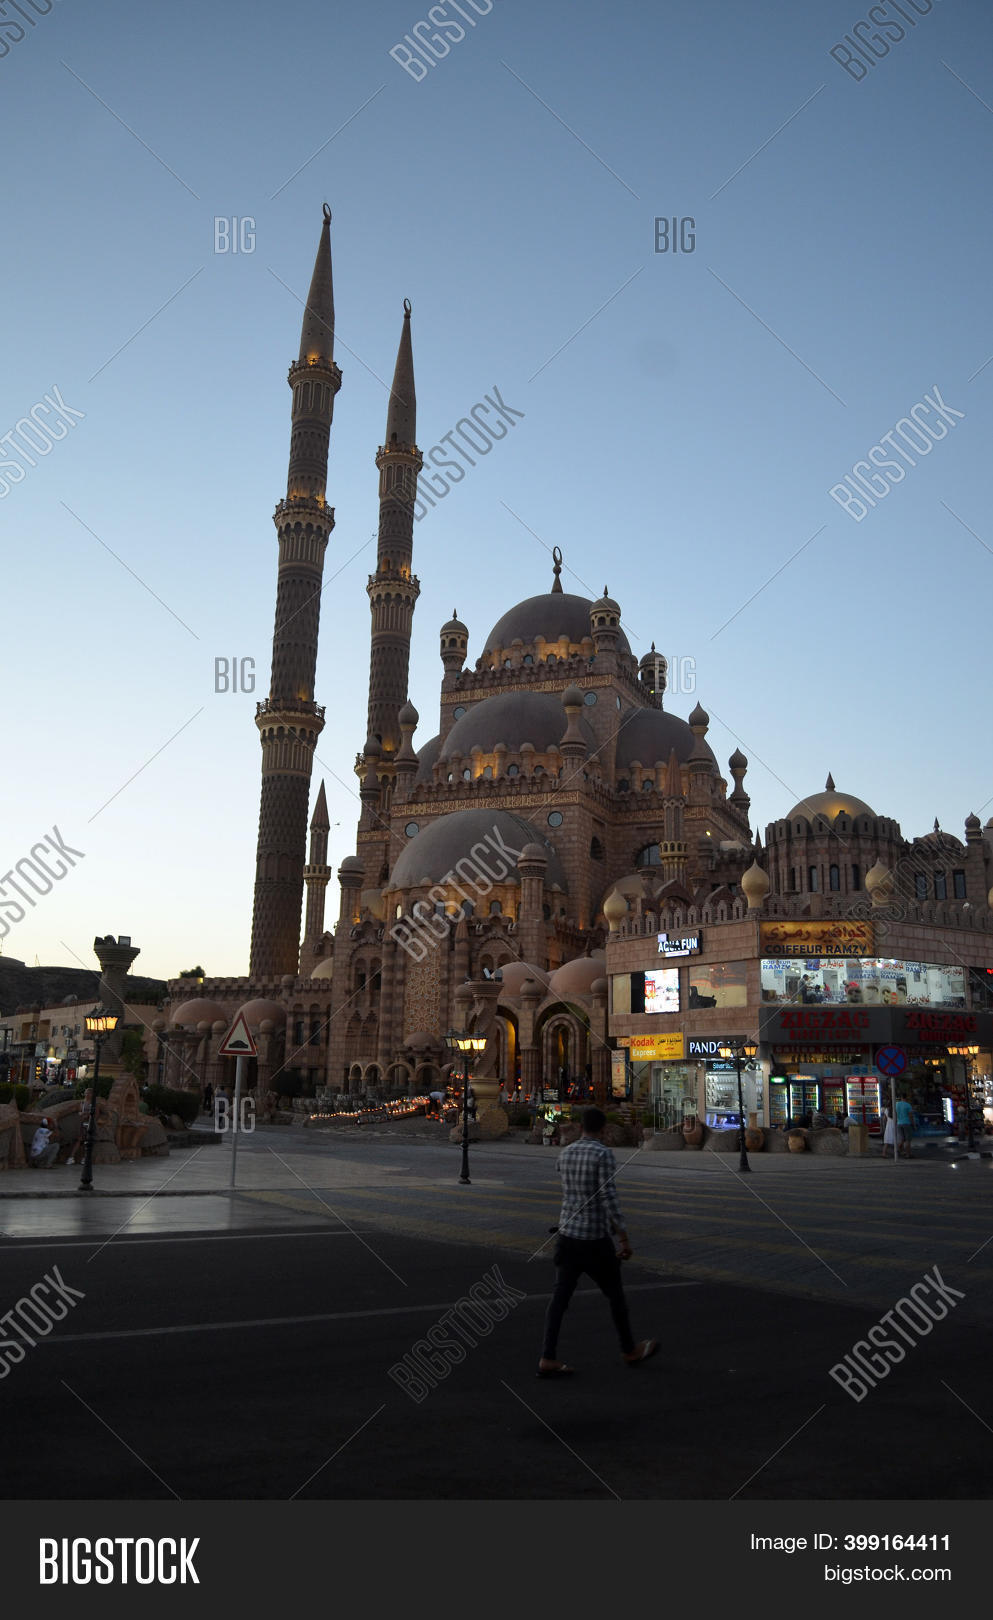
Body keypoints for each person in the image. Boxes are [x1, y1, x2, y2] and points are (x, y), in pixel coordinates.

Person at [537, 1106, 657, 1377]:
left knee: (559, 1299)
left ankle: (548, 1356)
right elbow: (608, 1199)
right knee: (615, 1296)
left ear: (581, 1127)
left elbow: (565, 1180)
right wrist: (623, 1238)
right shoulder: (603, 1154)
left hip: (567, 1237)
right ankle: (629, 1349)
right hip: (593, 1239)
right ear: (603, 1130)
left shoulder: (565, 1153)